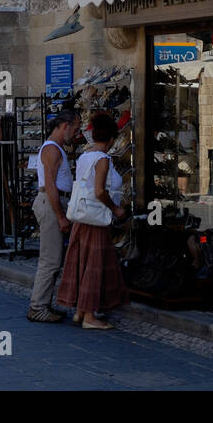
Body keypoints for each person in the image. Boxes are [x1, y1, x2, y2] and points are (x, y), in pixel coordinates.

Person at [56, 111, 129, 329]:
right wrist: (116, 209)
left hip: (82, 218)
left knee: (83, 264)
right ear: (111, 139)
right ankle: (89, 316)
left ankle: (81, 310)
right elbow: (99, 191)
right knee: (94, 267)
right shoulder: (102, 160)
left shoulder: (85, 157)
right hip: (96, 219)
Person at [27, 107, 79, 323]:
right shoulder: (52, 150)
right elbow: (50, 186)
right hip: (51, 205)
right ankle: (38, 306)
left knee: (53, 258)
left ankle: (44, 304)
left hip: (52, 204)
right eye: (75, 130)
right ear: (65, 126)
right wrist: (60, 216)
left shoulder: (55, 148)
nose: (76, 135)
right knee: (50, 259)